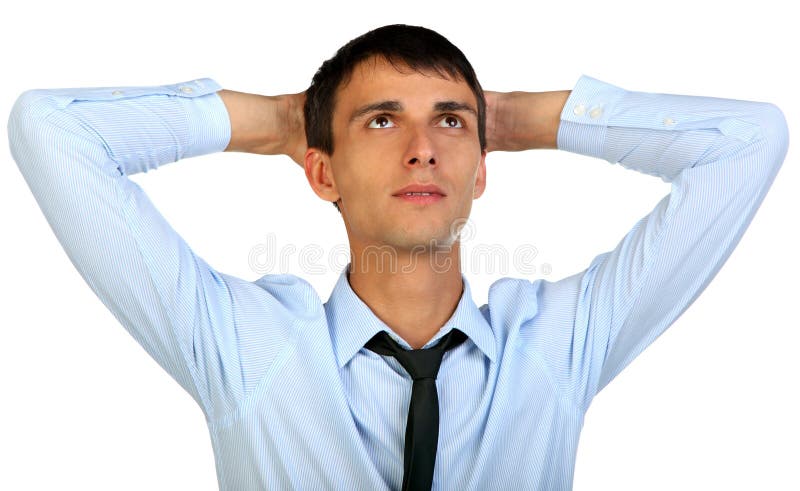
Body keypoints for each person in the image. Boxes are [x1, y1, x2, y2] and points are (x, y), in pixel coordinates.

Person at [7, 23, 788, 490]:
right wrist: (285, 120)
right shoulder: (247, 349)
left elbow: (751, 140)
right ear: (322, 171)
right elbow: (51, 129)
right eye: (382, 123)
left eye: (449, 122)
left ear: (482, 170)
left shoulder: (555, 345)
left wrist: (509, 117)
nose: (422, 150)